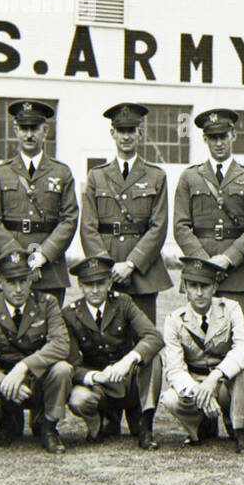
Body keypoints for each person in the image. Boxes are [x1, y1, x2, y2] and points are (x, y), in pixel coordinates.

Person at [0, 247, 74, 453]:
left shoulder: (47, 304)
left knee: (62, 369)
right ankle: (8, 421)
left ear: (31, 279)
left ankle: (48, 426)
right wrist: (3, 384)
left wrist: (23, 367)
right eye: (10, 282)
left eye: (23, 280)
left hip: (37, 380)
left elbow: (61, 344)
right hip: (3, 380)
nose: (18, 289)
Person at [78, 103, 172, 325]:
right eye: (121, 130)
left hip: (142, 272)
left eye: (131, 130)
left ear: (139, 133)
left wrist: (130, 264)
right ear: (113, 133)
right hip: (107, 271)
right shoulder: (97, 176)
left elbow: (158, 226)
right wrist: (107, 266)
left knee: (144, 336)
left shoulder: (156, 175)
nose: (126, 136)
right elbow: (88, 227)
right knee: (106, 334)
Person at [0, 99, 79, 306]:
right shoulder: (0, 172)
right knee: (4, 328)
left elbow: (69, 219)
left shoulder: (61, 172)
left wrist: (44, 254)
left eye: (34, 128)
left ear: (45, 130)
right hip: (7, 263)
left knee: (47, 326)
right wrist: (16, 254)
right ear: (15, 130)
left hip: (48, 267)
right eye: (24, 128)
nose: (29, 135)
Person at [172, 108, 244, 321]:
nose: (219, 143)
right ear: (205, 139)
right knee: (198, 339)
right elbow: (180, 226)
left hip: (237, 274)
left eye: (223, 136)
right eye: (213, 137)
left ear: (233, 135)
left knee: (238, 339)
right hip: (199, 272)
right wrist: (205, 262)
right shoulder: (190, 177)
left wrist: (227, 258)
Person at [63, 253, 165, 450]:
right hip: (99, 383)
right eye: (88, 284)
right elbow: (72, 364)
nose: (95, 290)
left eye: (100, 283)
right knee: (79, 399)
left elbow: (154, 336)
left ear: (109, 282)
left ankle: (145, 424)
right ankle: (100, 422)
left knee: (153, 358)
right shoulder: (70, 314)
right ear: (80, 285)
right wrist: (94, 376)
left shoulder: (123, 303)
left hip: (127, 378)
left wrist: (127, 361)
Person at [159, 257, 244, 452]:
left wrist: (215, 377)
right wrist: (201, 392)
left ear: (214, 287)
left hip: (223, 382)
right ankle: (199, 427)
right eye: (193, 286)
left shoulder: (230, 308)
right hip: (195, 382)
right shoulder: (174, 320)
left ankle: (239, 430)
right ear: (185, 288)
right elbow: (175, 369)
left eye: (204, 285)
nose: (199, 292)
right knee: (170, 398)